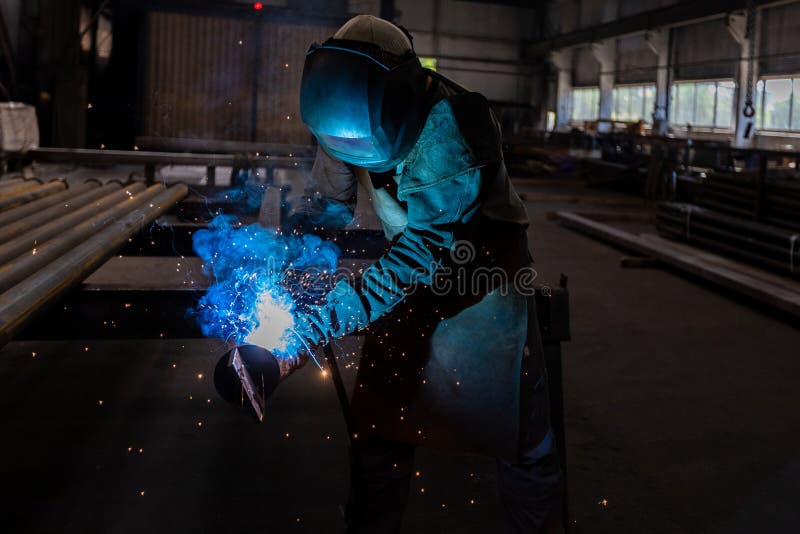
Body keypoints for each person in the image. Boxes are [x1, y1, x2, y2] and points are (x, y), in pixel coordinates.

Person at [288, 15, 563, 534]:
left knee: (524, 440)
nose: (353, 150)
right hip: (412, 270)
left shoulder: (453, 129)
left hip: (485, 281)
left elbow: (419, 254)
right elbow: (332, 203)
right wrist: (300, 248)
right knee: (379, 430)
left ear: (401, 98)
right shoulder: (339, 108)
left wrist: (317, 325)